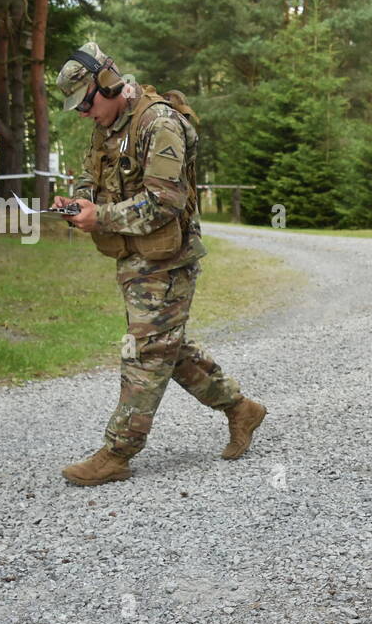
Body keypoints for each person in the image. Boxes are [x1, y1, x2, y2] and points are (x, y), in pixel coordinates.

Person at [53, 42, 266, 485]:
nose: (82, 114)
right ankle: (241, 409)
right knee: (168, 348)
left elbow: (164, 204)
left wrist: (102, 217)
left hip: (167, 259)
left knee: (147, 351)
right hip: (132, 255)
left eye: (85, 103)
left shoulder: (160, 123)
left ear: (108, 84)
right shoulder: (108, 125)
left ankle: (117, 453)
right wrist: (80, 202)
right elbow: (87, 174)